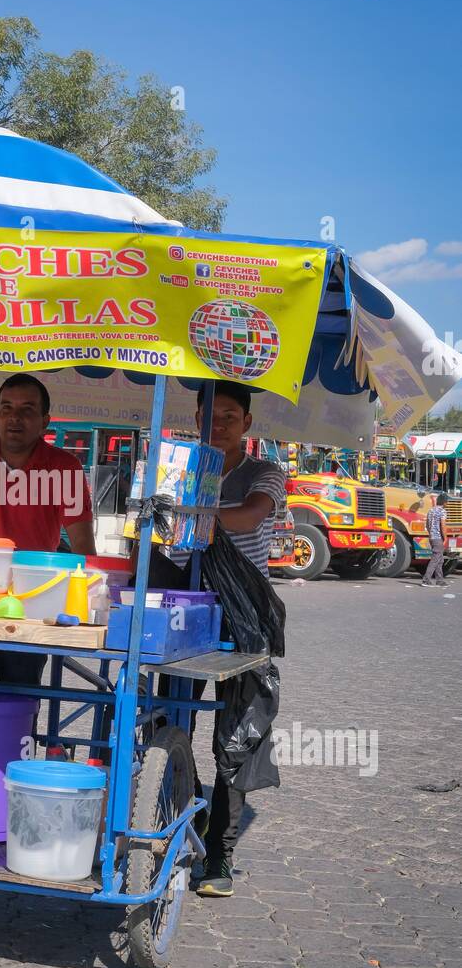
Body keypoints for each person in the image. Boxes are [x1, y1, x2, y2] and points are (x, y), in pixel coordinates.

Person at [149, 380, 287, 898]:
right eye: (211, 415)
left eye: (230, 415)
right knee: (161, 720)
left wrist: (188, 516)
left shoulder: (264, 474)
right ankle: (169, 821)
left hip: (243, 621)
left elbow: (251, 514)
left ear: (247, 423)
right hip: (183, 614)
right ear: (198, 417)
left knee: (234, 738)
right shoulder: (180, 469)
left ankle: (221, 855)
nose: (220, 424)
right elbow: (160, 537)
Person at [0, 374, 95, 685]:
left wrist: (94, 598)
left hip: (32, 606)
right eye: (6, 408)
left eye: (27, 410)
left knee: (21, 708)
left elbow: (82, 542)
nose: (15, 418)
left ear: (45, 420)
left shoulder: (65, 467)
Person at [422, 493, 448, 586]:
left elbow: (427, 525)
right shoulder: (442, 511)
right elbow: (443, 525)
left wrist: (431, 533)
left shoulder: (431, 510)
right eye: (446, 502)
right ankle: (426, 579)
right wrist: (445, 538)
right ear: (444, 502)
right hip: (438, 538)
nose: (447, 503)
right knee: (435, 559)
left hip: (432, 537)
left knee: (439, 559)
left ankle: (440, 580)